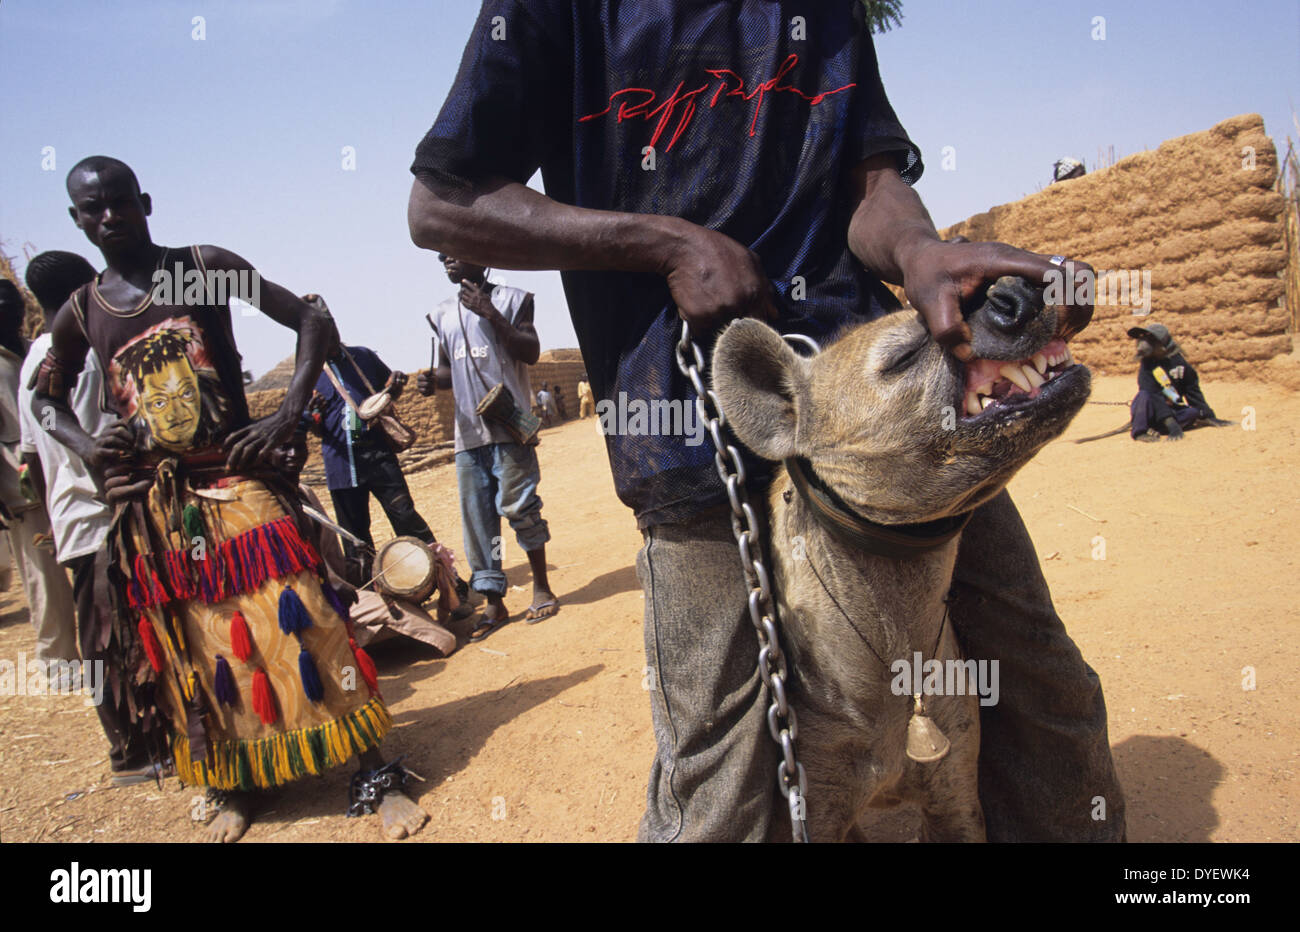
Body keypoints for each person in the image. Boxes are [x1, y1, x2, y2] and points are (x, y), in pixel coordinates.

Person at [407, 1, 1124, 842]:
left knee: (1033, 673)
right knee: (725, 761)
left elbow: (872, 181)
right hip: (679, 417)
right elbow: (442, 206)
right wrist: (666, 244)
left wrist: (918, 248)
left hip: (871, 407)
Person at [34, 155, 428, 842]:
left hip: (241, 482)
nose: (108, 218)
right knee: (201, 645)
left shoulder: (200, 264)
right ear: (76, 221)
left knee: (305, 615)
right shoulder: (80, 312)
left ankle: (375, 771)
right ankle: (239, 783)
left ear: (145, 201)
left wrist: (288, 414)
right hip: (162, 510)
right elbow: (44, 398)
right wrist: (88, 448)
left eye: (119, 202)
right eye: (92, 211)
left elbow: (309, 320)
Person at [22, 250, 160, 784]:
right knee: (118, 637)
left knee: (100, 638)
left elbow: (33, 453)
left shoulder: (35, 364)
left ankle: (135, 744)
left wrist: (53, 517)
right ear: (82, 294)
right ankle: (134, 751)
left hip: (73, 518)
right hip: (109, 516)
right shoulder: (84, 351)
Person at [416, 254, 558, 640]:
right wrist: (433, 380)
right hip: (468, 435)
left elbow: (528, 350)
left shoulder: (513, 299)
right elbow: (448, 369)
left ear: (479, 252)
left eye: (453, 251)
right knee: (478, 522)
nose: (446, 259)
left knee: (520, 508)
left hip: (510, 429)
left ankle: (542, 586)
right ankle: (494, 601)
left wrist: (489, 312)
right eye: (440, 255)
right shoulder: (441, 314)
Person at [301, 313, 469, 612]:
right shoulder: (307, 374)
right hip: (342, 465)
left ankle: (450, 584)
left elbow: (391, 388)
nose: (330, 333)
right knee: (355, 541)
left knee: (407, 519)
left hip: (377, 454)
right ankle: (378, 605)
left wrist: (396, 387)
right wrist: (311, 414)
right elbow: (309, 425)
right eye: (321, 329)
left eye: (332, 324)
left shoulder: (362, 357)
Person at [0, 278, 79, 670]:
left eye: (11, 301)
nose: (7, 308)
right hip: (19, 484)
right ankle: (57, 659)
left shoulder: (35, 350)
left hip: (58, 466)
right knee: (43, 576)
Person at [1127, 323, 1228, 441]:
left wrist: (1208, 416)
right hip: (1153, 408)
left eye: (1149, 339)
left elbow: (1192, 389)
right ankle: (1140, 432)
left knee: (1193, 413)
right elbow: (1154, 396)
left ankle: (1158, 428)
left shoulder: (1178, 362)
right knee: (1143, 395)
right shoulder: (1147, 365)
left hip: (1171, 407)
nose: (1142, 343)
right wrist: (1172, 425)